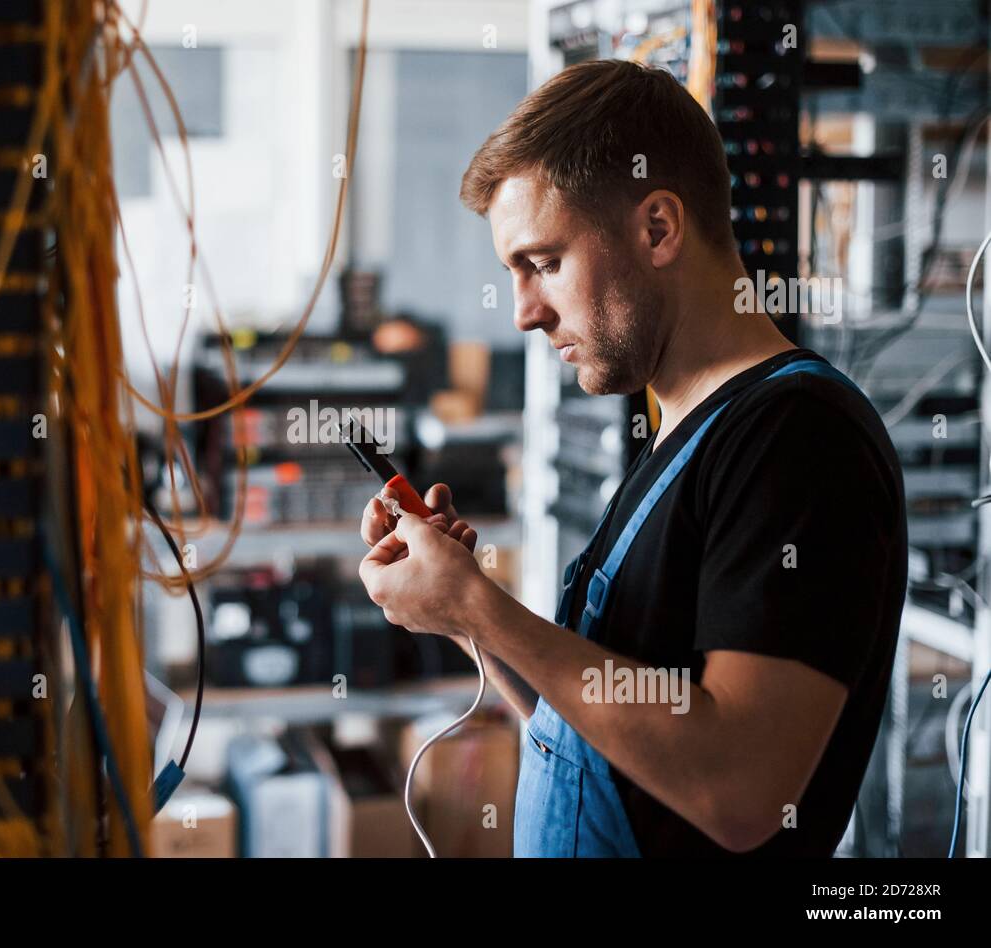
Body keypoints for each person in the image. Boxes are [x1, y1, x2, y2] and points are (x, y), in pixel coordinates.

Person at [357, 59, 906, 857]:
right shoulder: (680, 431)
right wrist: (465, 612)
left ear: (657, 228)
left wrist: (482, 609)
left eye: (543, 263)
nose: (523, 314)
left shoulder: (797, 439)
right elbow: (601, 739)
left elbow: (739, 785)